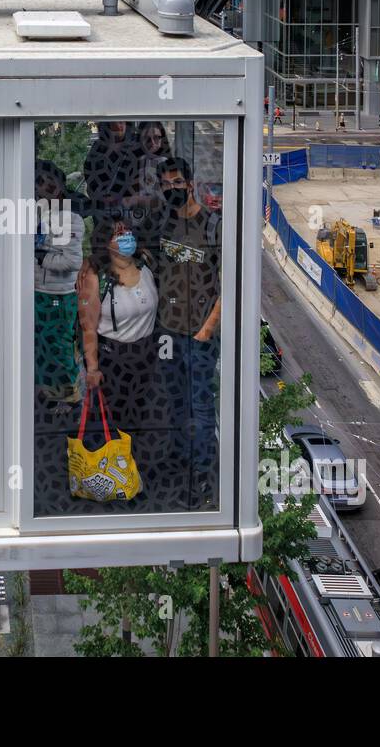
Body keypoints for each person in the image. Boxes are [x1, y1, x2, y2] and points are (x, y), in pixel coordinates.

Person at [155, 156, 222, 507]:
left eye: (178, 183)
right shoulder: (163, 224)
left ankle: (202, 473)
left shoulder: (213, 226)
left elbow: (230, 283)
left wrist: (207, 330)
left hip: (198, 335)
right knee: (175, 402)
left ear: (191, 183)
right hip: (168, 330)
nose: (172, 190)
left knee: (199, 406)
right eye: (166, 185)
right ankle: (180, 461)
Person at [77, 217, 160, 456]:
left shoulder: (146, 265)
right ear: (105, 243)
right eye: (118, 234)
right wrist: (92, 369)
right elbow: (88, 328)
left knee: (144, 419)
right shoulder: (95, 279)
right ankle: (116, 474)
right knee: (116, 423)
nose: (126, 236)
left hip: (146, 357)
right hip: (114, 362)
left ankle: (133, 471)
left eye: (127, 231)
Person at [34, 160, 85, 403]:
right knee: (40, 349)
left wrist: (41, 258)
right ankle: (47, 397)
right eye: (40, 182)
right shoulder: (35, 213)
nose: (46, 186)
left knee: (61, 349)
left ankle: (70, 400)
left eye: (51, 180)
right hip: (36, 290)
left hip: (59, 294)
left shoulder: (71, 218)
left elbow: (71, 262)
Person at [81, 122, 141, 222]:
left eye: (122, 122)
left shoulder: (137, 146)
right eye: (114, 122)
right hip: (104, 210)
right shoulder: (98, 147)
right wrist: (101, 197)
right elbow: (90, 175)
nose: (119, 126)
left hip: (130, 209)